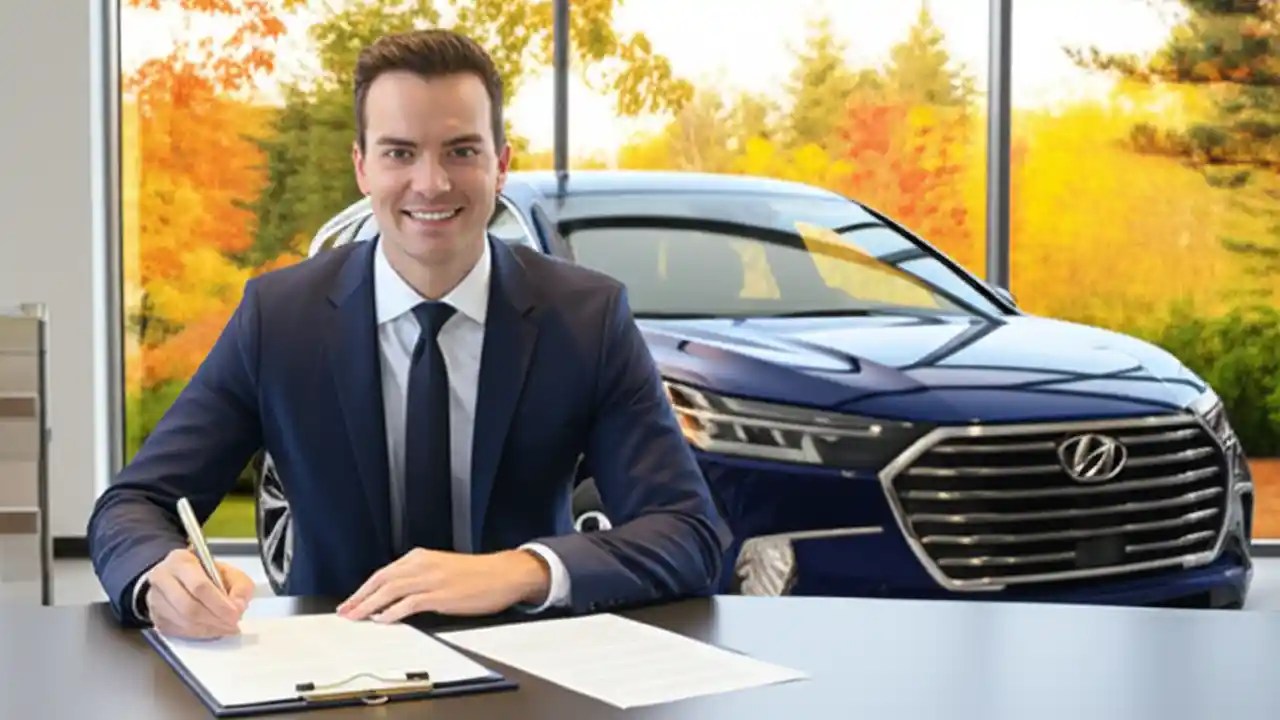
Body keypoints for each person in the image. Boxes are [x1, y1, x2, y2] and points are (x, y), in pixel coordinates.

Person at [87, 28, 731, 639]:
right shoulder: (279, 318)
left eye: (461, 151)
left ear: (500, 165)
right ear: (363, 167)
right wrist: (158, 578)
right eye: (400, 152)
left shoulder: (586, 317)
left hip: (530, 667)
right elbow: (134, 505)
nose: (431, 183)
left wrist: (520, 570)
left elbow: (686, 533)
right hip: (332, 666)